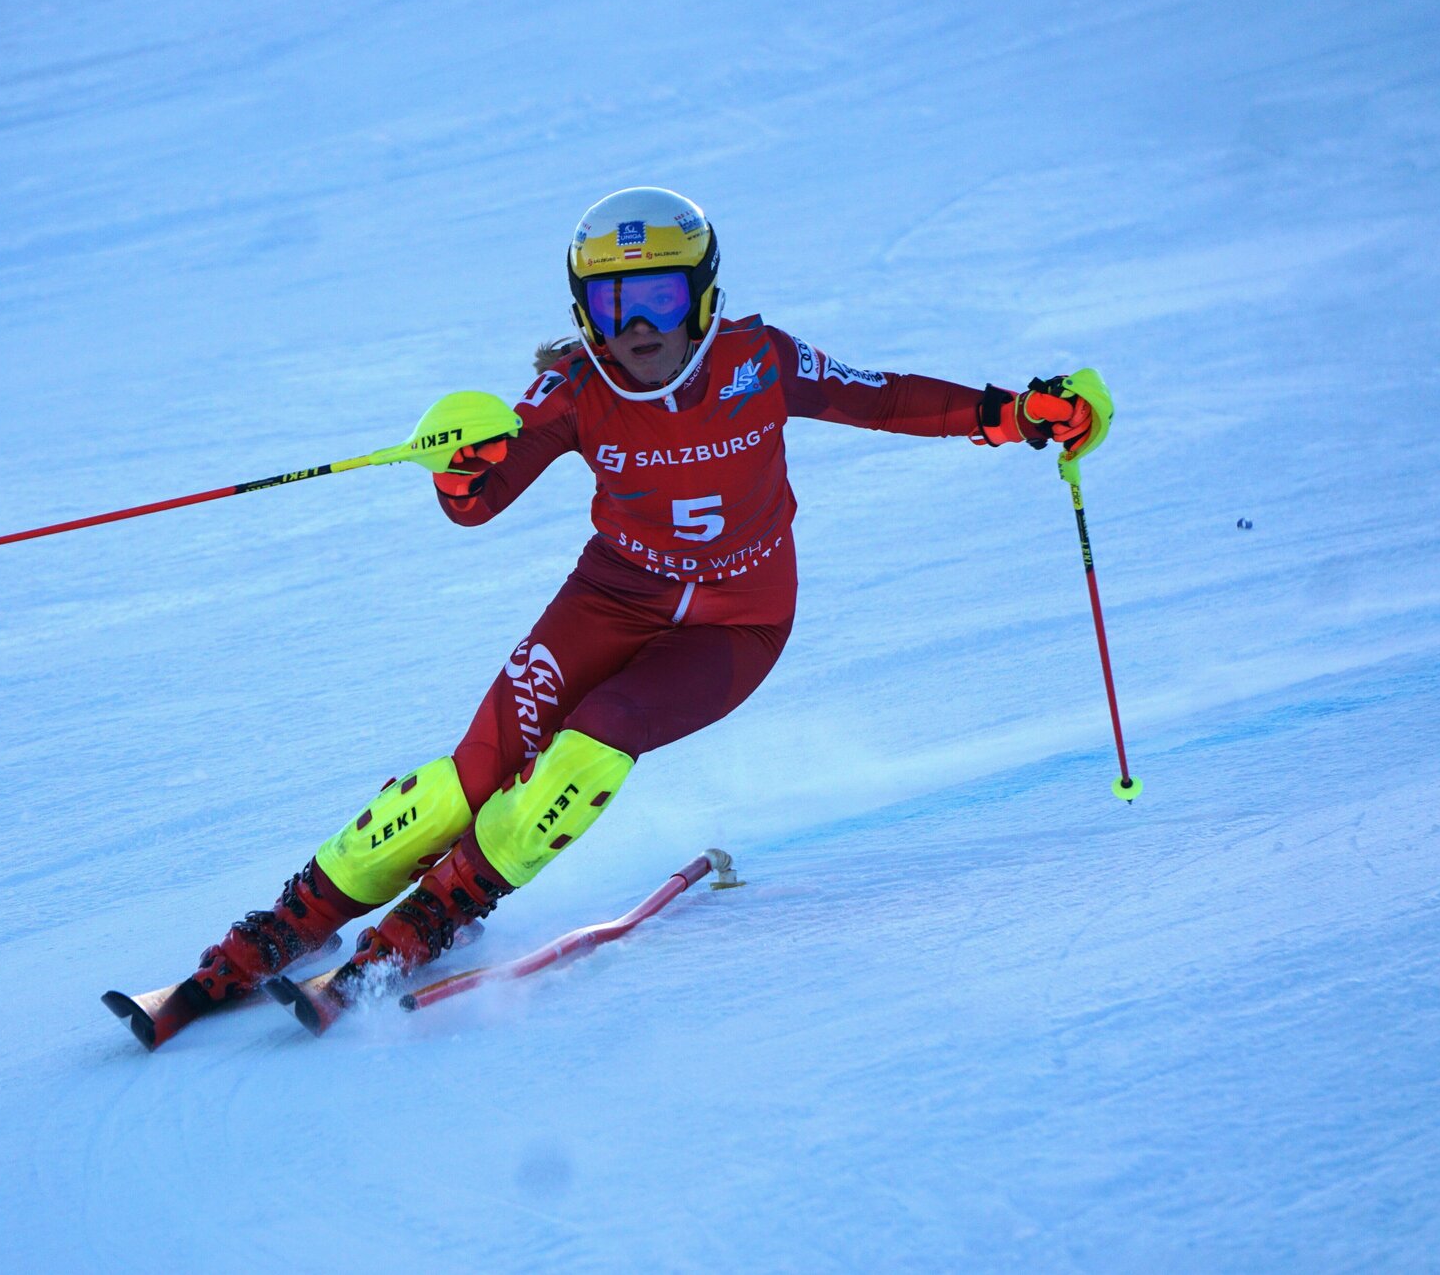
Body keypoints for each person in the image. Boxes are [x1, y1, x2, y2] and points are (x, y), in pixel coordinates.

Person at [116, 187, 1104, 1045]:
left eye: (661, 296)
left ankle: (435, 918)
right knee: (466, 783)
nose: (637, 324)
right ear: (583, 308)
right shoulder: (572, 390)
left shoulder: (758, 361)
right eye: (611, 300)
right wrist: (452, 463)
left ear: (702, 297)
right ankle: (270, 935)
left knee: (590, 748)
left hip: (733, 626)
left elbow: (882, 398)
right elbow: (479, 503)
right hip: (612, 596)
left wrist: (1018, 415)